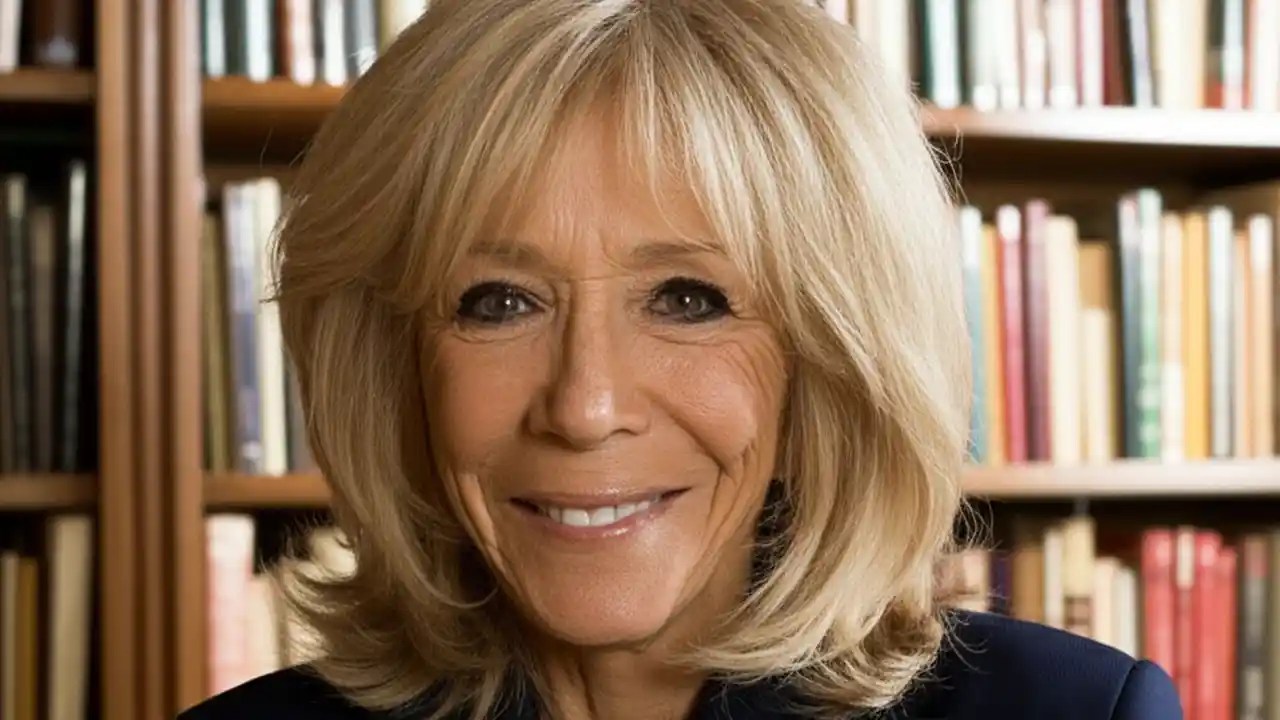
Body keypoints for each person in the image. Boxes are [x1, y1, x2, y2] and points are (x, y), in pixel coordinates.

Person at [180, 0, 1182, 718]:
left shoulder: (1074, 710)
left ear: (828, 366)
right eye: (499, 302)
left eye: (687, 301)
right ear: (397, 371)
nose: (583, 406)